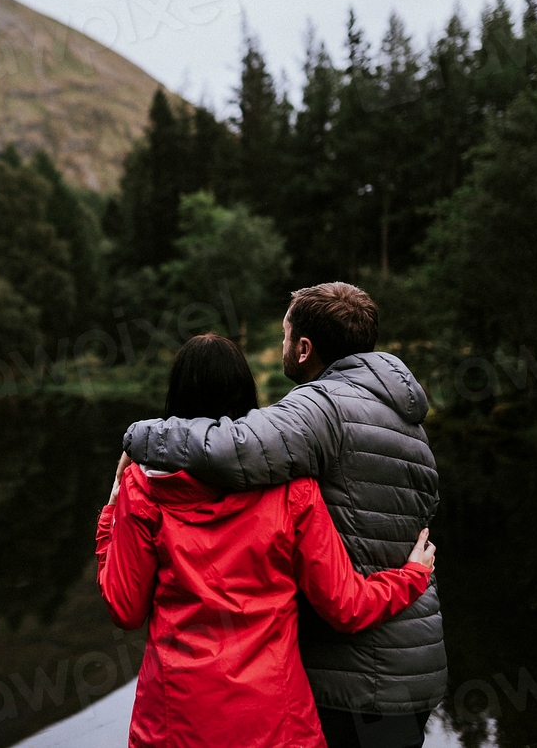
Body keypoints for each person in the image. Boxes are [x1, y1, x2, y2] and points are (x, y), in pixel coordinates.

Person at [120, 282, 445, 748]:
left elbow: (235, 448)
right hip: (414, 664)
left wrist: (138, 440)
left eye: (286, 335)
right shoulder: (407, 420)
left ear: (305, 348)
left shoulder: (322, 405)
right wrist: (413, 575)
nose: (282, 345)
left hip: (350, 677)